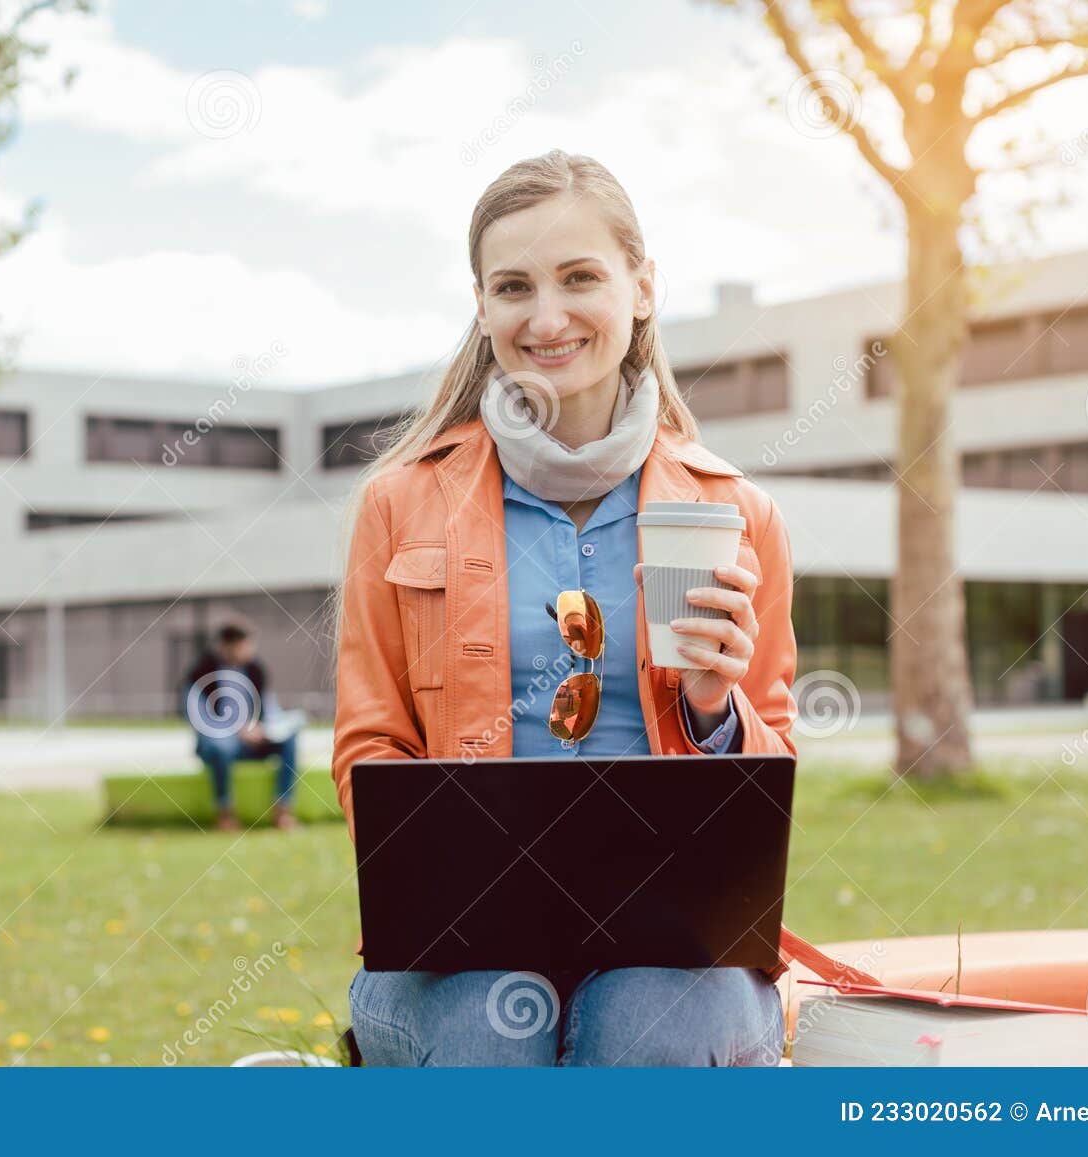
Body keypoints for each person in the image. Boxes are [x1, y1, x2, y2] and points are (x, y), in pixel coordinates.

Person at [331, 149, 800, 1066]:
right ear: (482, 307)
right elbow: (369, 747)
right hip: (454, 945)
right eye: (513, 287)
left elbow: (773, 765)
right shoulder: (401, 505)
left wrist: (714, 707)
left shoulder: (736, 513)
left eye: (580, 277)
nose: (546, 317)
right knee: (486, 1032)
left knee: (648, 1034)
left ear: (642, 287)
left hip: (680, 948)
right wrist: (446, 882)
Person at [182, 617, 299, 832]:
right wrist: (236, 730)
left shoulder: (255, 670)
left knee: (289, 739)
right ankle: (225, 813)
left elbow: (269, 708)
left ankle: (283, 810)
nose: (250, 649)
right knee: (221, 746)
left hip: (252, 741)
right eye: (245, 644)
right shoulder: (201, 673)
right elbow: (198, 718)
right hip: (218, 743)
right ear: (227, 646)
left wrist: (264, 728)